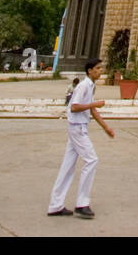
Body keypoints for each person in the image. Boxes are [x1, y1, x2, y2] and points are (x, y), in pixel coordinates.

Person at [48, 58, 114, 219]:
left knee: (67, 167)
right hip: (77, 128)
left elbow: (92, 111)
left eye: (101, 68)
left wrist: (106, 127)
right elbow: (74, 107)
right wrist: (95, 104)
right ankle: (82, 204)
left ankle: (55, 205)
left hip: (77, 127)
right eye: (98, 68)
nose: (101, 71)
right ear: (89, 70)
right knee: (91, 160)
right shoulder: (84, 86)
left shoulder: (90, 86)